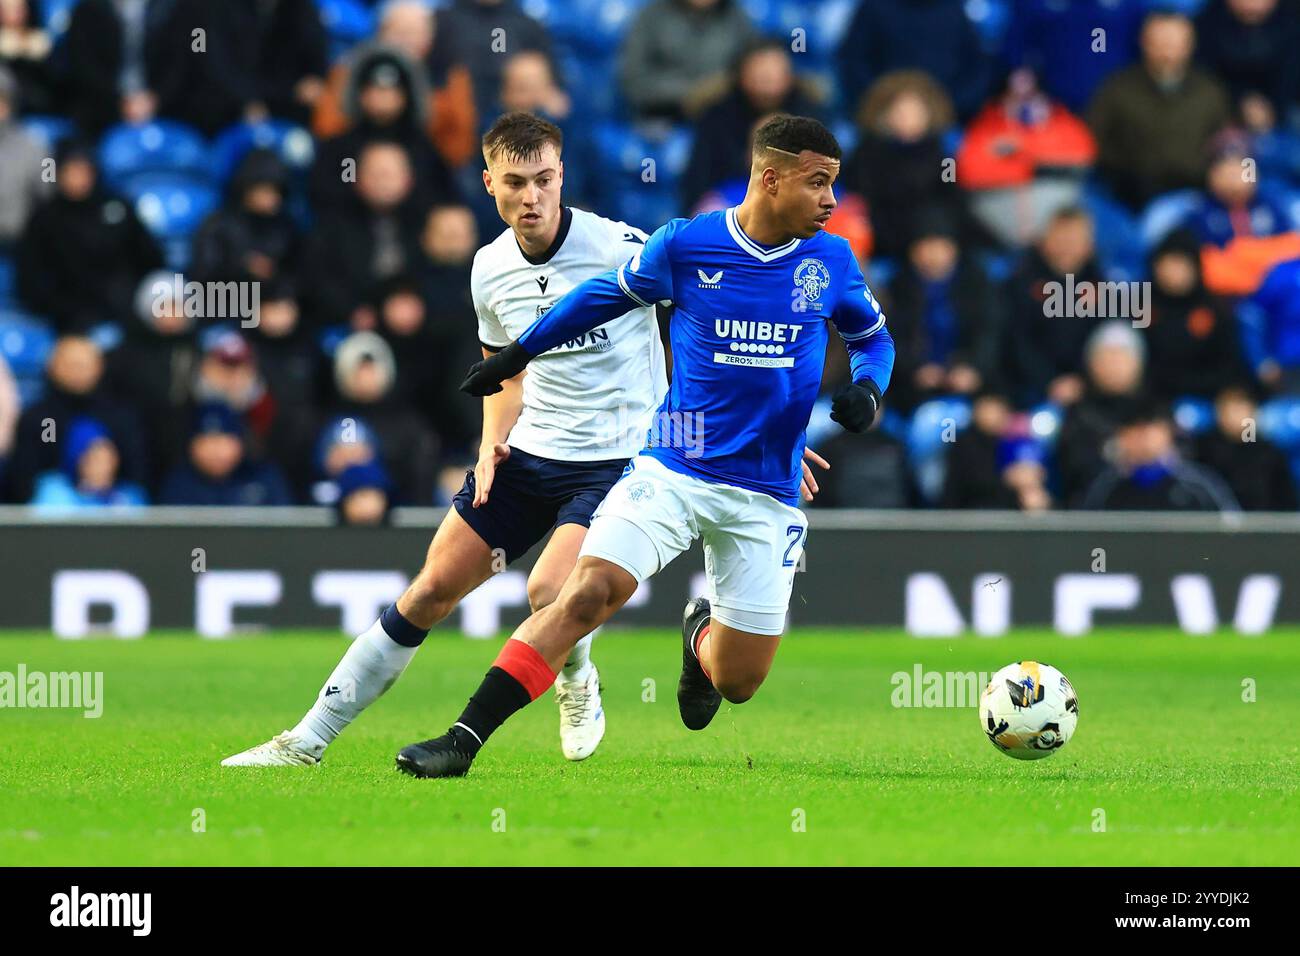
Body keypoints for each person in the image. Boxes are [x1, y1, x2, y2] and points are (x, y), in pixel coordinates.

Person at [394, 114, 895, 778]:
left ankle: (698, 634)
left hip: (767, 489)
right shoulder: (687, 245)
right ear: (770, 179)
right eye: (819, 184)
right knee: (585, 592)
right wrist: (520, 351)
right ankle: (462, 739)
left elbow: (872, 338)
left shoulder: (830, 259)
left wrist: (869, 387)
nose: (832, 201)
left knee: (740, 681)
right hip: (673, 463)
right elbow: (602, 295)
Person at [223, 112, 677, 767]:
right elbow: (504, 372)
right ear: (488, 182)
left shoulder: (622, 250)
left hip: (617, 460)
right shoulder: (489, 268)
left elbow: (702, 316)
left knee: (549, 592)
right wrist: (491, 443)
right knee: (430, 590)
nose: (532, 197)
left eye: (545, 180)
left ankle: (575, 676)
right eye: (516, 182)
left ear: (562, 177)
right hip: (530, 453)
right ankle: (305, 743)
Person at [1077, 400, 1239, 511]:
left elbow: (1232, 531)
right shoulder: (1106, 487)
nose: (1144, 437)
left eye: (1151, 428)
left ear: (1167, 433)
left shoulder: (1197, 485)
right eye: (1136, 430)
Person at [1193, 384, 1298, 511]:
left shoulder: (1268, 453)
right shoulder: (1203, 450)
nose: (1237, 416)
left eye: (1242, 408)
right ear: (1220, 414)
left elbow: (1285, 501)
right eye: (1231, 410)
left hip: (1263, 524)